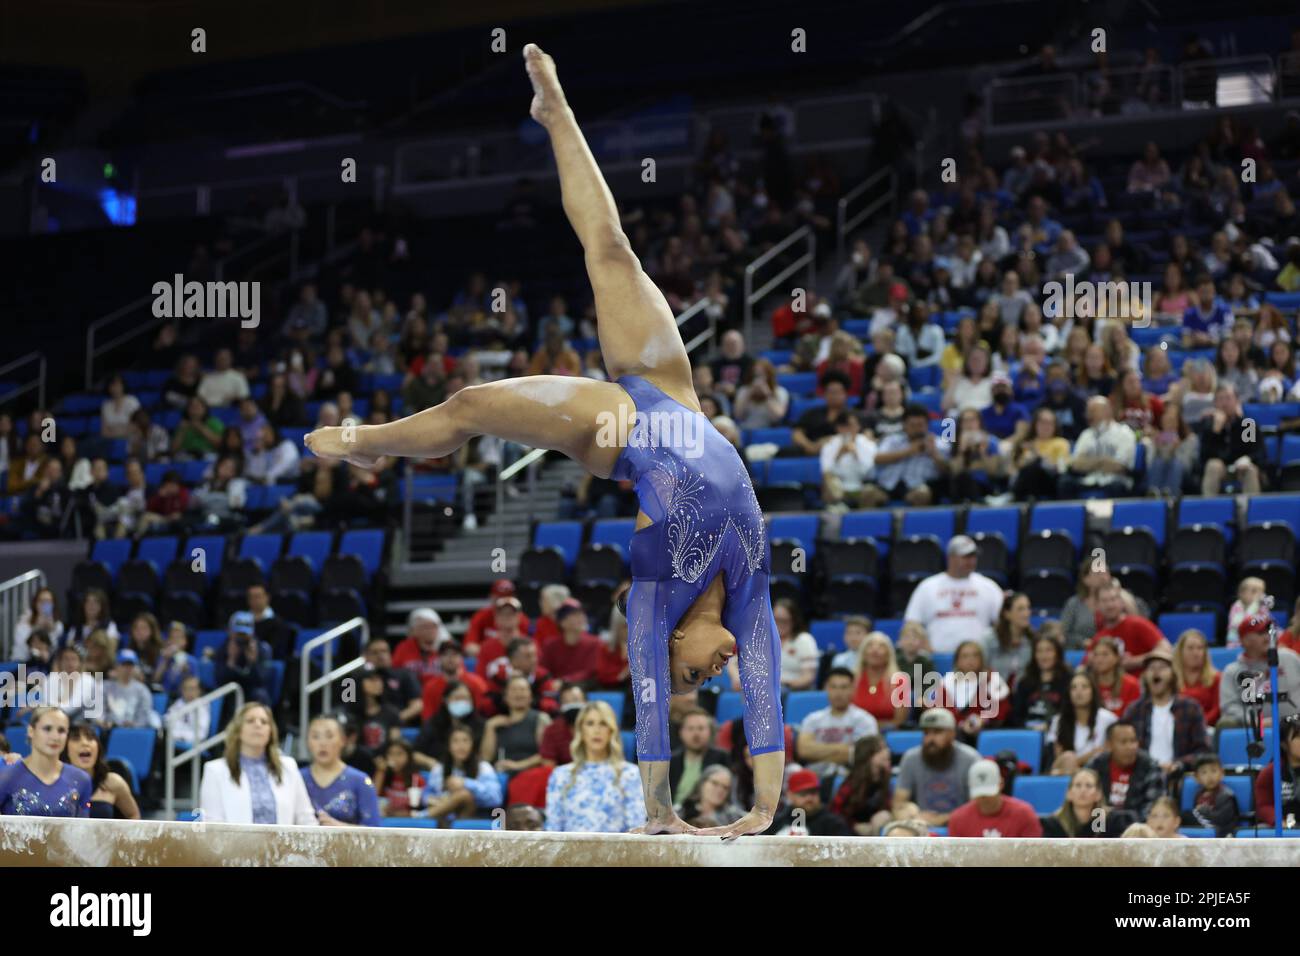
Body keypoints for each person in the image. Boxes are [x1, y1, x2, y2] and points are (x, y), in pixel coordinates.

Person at [307, 44, 783, 840]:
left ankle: (371, 443)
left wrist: (660, 812)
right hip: (678, 400)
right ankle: (558, 114)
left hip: (625, 431)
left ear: (672, 647)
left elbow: (648, 698)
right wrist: (764, 807)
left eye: (697, 676)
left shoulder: (653, 593)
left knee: (470, 404)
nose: (720, 671)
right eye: (714, 676)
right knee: (614, 249)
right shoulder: (751, 594)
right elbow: (768, 697)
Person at [198, 702, 316, 825]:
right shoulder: (215, 770)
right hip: (235, 844)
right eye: (250, 721)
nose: (258, 725)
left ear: (270, 732)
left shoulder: (288, 766)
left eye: (264, 722)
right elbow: (212, 824)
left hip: (282, 844)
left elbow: (306, 818)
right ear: (238, 731)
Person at [544, 700, 645, 832]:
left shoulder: (630, 774)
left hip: (617, 851)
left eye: (603, 724)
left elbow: (635, 828)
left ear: (611, 730)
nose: (597, 730)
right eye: (590, 724)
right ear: (580, 730)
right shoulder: (561, 775)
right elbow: (553, 830)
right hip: (570, 851)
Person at [903, 535, 1004, 655]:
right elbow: (912, 624)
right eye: (966, 557)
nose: (971, 561)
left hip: (977, 659)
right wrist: (926, 648)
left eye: (973, 556)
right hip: (936, 657)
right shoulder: (927, 587)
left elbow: (1002, 623)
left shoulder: (989, 587)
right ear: (950, 558)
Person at [1121, 648, 1210, 777]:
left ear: (1173, 674)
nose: (1156, 671)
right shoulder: (1134, 710)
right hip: (1141, 777)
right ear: (1145, 676)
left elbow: (1203, 750)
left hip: (1178, 777)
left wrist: (1178, 764)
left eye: (1162, 667)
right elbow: (1121, 747)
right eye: (1151, 668)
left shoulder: (1190, 708)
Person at [893, 708, 981, 826]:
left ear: (952, 733)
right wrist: (912, 815)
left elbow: (979, 805)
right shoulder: (911, 758)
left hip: (962, 825)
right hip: (920, 825)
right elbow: (899, 803)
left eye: (937, 732)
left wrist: (944, 819)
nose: (930, 739)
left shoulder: (971, 759)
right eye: (926, 733)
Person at [0, 708, 92, 816]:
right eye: (47, 729)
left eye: (61, 730)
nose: (55, 737)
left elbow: (83, 829)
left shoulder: (81, 779)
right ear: (31, 731)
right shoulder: (6, 776)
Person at [1219, 613, 1300, 727]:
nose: (1267, 637)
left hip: (1296, 729)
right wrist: (1254, 721)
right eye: (1260, 633)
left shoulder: (1290, 658)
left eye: (1269, 632)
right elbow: (1229, 707)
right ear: (1244, 640)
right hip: (1256, 733)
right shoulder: (1232, 671)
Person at [861, 403, 951, 507]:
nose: (917, 429)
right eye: (912, 425)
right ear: (904, 425)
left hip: (916, 486)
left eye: (920, 425)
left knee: (922, 494)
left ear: (927, 425)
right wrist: (909, 451)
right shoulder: (892, 440)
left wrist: (934, 454)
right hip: (888, 485)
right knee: (867, 493)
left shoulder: (939, 444)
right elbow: (877, 459)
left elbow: (948, 471)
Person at [796, 668, 879, 779]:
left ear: (852, 689)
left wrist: (817, 751)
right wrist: (844, 750)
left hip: (853, 775)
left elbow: (863, 755)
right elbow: (804, 751)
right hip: (816, 775)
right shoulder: (812, 719)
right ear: (826, 688)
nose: (838, 693)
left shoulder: (865, 720)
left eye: (844, 687)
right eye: (833, 687)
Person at [300, 714, 382, 827]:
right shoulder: (297, 778)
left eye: (329, 736)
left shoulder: (361, 780)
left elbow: (375, 831)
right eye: (315, 736)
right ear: (307, 741)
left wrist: (340, 828)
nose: (322, 743)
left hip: (348, 845)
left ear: (343, 740)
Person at [1085, 721, 1166, 831]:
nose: (1130, 747)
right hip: (1098, 827)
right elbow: (1086, 804)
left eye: (1133, 741)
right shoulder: (1096, 765)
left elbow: (1152, 809)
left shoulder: (1150, 767)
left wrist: (1123, 824)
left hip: (1137, 831)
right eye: (1123, 742)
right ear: (1109, 745)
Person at [421, 723, 503, 824]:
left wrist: (466, 783)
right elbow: (426, 795)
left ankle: (419, 817)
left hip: (473, 816)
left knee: (464, 795)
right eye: (455, 741)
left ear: (472, 744)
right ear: (449, 745)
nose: (461, 746)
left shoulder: (483, 767)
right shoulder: (439, 768)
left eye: (465, 740)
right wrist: (434, 800)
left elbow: (496, 798)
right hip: (442, 817)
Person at [1059, 395, 1137, 498]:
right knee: (1064, 483)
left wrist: (1089, 462)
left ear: (1107, 411)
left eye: (1093, 411)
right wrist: (1102, 461)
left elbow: (1119, 466)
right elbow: (1076, 464)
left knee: (1117, 487)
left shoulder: (1124, 433)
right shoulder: (1086, 434)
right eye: (1088, 412)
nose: (1088, 415)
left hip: (1115, 480)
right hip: (1088, 479)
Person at [1085, 581, 1171, 673]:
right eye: (1104, 601)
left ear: (1122, 602)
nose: (1110, 605)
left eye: (1113, 599)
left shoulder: (1138, 624)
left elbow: (1166, 650)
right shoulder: (1099, 638)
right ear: (1098, 605)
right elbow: (1085, 664)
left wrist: (1134, 661)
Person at [63, 721, 140, 819]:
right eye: (76, 739)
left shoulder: (113, 782)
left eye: (90, 738)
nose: (85, 743)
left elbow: (133, 815)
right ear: (65, 749)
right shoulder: (53, 783)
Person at [947, 758, 1042, 837]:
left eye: (989, 793)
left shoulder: (1024, 814)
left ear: (1001, 784)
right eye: (980, 795)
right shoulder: (958, 819)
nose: (984, 798)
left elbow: (1034, 855)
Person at [481, 674, 551, 778]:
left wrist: (517, 765)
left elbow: (547, 754)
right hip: (501, 777)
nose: (518, 694)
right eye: (513, 690)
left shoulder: (541, 719)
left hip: (532, 775)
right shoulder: (496, 723)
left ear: (531, 696)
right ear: (505, 697)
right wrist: (489, 727)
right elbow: (486, 758)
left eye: (523, 689)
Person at [1050, 671, 1119, 775]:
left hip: (1099, 772)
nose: (1079, 692)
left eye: (1084, 687)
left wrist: (1077, 760)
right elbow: (1060, 759)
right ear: (1068, 693)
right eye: (1074, 688)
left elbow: (1107, 754)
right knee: (1068, 758)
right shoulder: (1058, 721)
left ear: (1093, 691)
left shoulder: (1108, 719)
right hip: (1067, 771)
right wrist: (1089, 755)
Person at [828, 736, 894, 835]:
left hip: (875, 829)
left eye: (886, 748)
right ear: (867, 756)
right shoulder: (852, 783)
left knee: (884, 816)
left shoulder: (884, 778)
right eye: (881, 750)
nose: (887, 752)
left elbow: (887, 808)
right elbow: (834, 812)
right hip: (850, 831)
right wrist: (854, 825)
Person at [1010, 634, 1070, 731]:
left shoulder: (1068, 681)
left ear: (1057, 653)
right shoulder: (1025, 683)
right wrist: (1029, 728)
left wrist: (1050, 726)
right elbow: (1016, 716)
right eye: (1039, 651)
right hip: (1027, 734)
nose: (1044, 656)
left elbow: (1068, 713)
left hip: (1057, 733)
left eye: (1048, 650)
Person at [766, 769, 851, 836]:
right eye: (803, 794)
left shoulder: (834, 824)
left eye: (813, 792)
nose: (809, 798)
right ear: (790, 795)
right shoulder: (777, 822)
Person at [852, 632, 910, 727]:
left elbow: (900, 721)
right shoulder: (853, 679)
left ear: (889, 654)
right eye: (870, 646)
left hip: (887, 735)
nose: (875, 650)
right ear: (863, 653)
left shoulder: (900, 681)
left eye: (881, 646)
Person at [215, 611, 273, 706]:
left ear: (252, 633)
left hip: (252, 691)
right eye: (238, 634)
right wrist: (231, 661)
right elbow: (219, 681)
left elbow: (263, 681)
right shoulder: (223, 649)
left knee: (260, 694)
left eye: (244, 634)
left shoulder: (262, 649)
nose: (241, 639)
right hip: (231, 692)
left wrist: (253, 662)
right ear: (230, 632)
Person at [540, 599, 602, 685]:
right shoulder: (550, 645)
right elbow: (544, 670)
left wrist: (565, 681)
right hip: (555, 689)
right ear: (562, 622)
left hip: (584, 688)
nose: (581, 618)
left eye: (582, 614)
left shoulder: (595, 643)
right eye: (575, 615)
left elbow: (591, 671)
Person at [463, 580, 531, 659]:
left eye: (508, 596)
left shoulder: (521, 618)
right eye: (500, 597)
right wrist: (492, 651)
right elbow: (469, 647)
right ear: (492, 597)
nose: (504, 600)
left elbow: (530, 648)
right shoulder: (481, 616)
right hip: (488, 660)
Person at [1254, 716, 1300, 829]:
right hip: (1282, 826)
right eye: (1298, 737)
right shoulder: (1270, 773)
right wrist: (1279, 822)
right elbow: (1264, 805)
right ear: (1284, 744)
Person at [982, 591, 1034, 687]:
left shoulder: (1032, 640)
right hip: (993, 694)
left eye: (1028, 608)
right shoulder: (989, 639)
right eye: (1021, 609)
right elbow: (981, 670)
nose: (1027, 613)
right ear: (1007, 614)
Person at [1184, 754, 1240, 837]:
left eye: (1213, 771)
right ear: (1196, 777)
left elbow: (1221, 819)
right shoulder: (1198, 794)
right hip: (1203, 831)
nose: (1209, 776)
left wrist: (1203, 810)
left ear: (1222, 773)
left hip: (1221, 833)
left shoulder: (1227, 795)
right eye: (1204, 772)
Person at [675, 764, 744, 828]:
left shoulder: (735, 817)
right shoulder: (680, 812)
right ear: (702, 783)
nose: (720, 790)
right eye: (715, 783)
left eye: (725, 787)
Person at [102, 650, 157, 729]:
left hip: (133, 732)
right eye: (124, 665)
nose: (127, 669)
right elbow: (97, 711)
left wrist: (135, 724)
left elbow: (145, 714)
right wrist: (105, 722)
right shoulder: (105, 686)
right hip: (109, 730)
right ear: (116, 666)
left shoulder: (142, 690)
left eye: (131, 665)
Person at [372, 737, 426, 817]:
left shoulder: (416, 779)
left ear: (409, 757)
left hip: (409, 821)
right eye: (390, 754)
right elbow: (373, 798)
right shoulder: (383, 774)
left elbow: (418, 809)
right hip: (386, 819)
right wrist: (380, 772)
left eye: (399, 754)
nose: (394, 758)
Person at [539, 683, 587, 768]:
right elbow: (548, 765)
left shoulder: (599, 727)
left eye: (575, 700)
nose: (571, 705)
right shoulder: (552, 730)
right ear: (560, 706)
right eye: (566, 702)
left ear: (586, 702)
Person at [12, 587, 65, 663]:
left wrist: (51, 631)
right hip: (22, 663)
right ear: (35, 603)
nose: (45, 604)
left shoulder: (58, 626)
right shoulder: (24, 622)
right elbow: (21, 648)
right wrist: (36, 628)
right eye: (41, 601)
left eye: (48, 601)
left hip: (45, 666)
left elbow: (55, 650)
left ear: (53, 604)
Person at [163, 675, 210, 747]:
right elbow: (167, 720)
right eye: (186, 689)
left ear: (199, 691)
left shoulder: (203, 706)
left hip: (192, 743)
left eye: (192, 688)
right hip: (175, 739)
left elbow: (201, 734)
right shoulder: (179, 703)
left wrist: (183, 737)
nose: (189, 692)